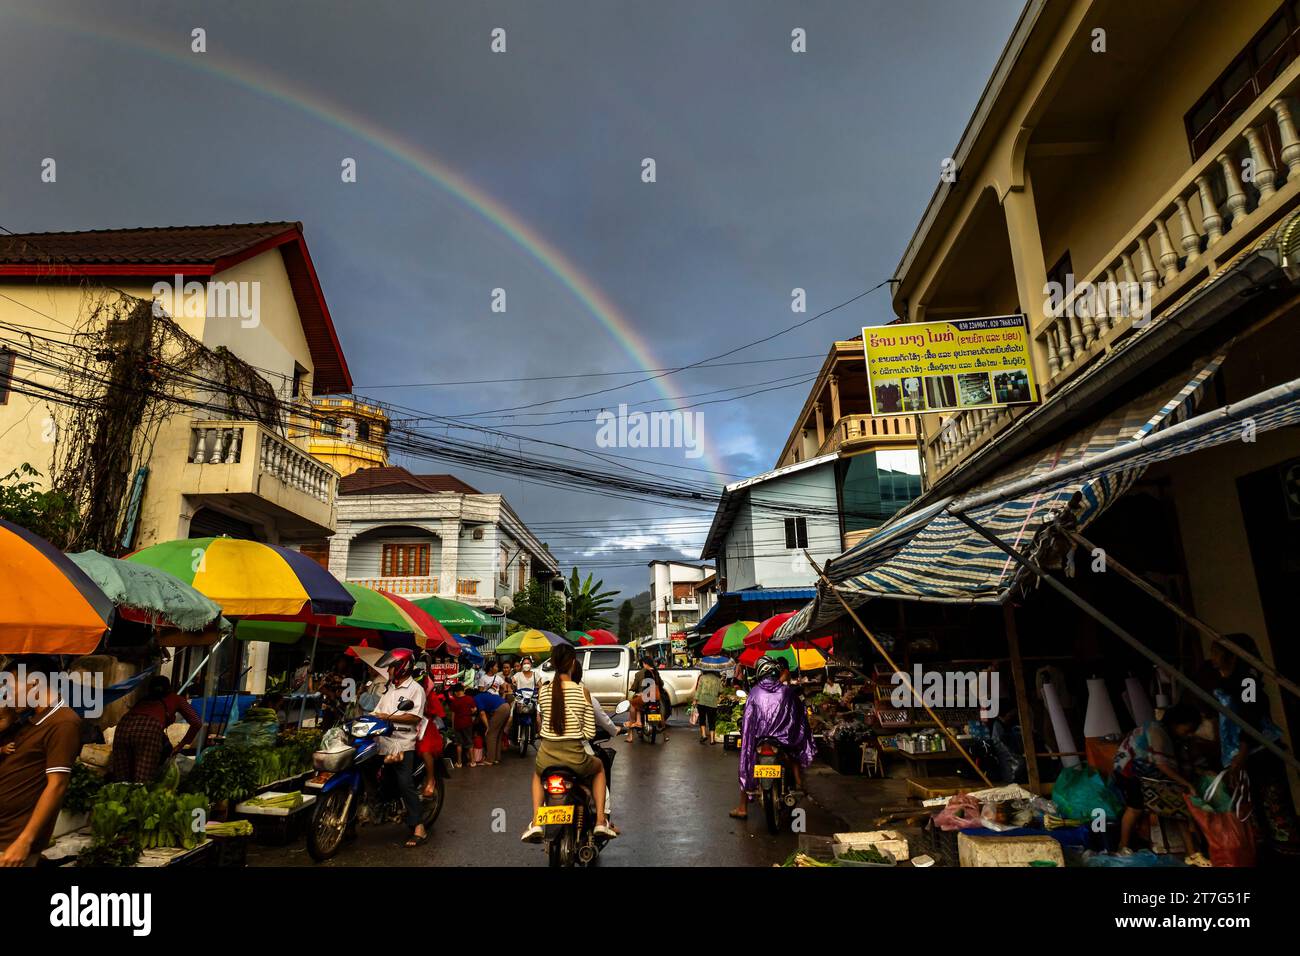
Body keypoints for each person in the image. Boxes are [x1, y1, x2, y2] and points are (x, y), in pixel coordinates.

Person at [1204, 636, 1298, 857]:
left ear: (1231, 655)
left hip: (1257, 749)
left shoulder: (1247, 682)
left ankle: (1287, 848)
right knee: (1250, 802)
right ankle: (1262, 846)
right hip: (1235, 751)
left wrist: (1243, 752)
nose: (1212, 658)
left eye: (1216, 653)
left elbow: (1250, 718)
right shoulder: (1219, 680)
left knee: (1272, 800)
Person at [520, 643, 616, 843]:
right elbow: (589, 732)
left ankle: (536, 821)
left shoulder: (545, 691)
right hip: (575, 759)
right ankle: (600, 820)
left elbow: (542, 726)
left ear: (553, 664)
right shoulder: (582, 692)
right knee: (599, 769)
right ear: (573, 663)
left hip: (546, 756)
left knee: (538, 775)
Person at [0, 657, 82, 866]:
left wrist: (24, 841)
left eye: (10, 686)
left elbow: (57, 785)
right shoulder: (30, 721)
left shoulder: (63, 722)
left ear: (34, 683)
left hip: (12, 842)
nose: (7, 695)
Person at [731, 655, 815, 820]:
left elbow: (747, 720)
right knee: (795, 752)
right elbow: (799, 714)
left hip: (760, 740)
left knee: (748, 764)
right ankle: (798, 784)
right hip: (783, 740)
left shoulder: (754, 692)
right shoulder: (786, 691)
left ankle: (742, 808)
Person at [1112, 701, 1201, 854]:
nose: (1190, 734)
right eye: (1188, 730)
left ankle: (1192, 854)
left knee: (1178, 808)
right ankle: (1122, 846)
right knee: (1135, 808)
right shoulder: (1157, 731)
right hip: (1129, 771)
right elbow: (1162, 765)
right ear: (1175, 723)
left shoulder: (1173, 736)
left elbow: (1183, 761)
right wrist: (1187, 784)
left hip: (1149, 774)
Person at [371, 649, 428, 848]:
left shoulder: (415, 689)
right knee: (362, 771)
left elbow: (414, 717)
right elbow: (377, 712)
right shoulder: (390, 689)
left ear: (402, 667)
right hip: (381, 742)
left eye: (392, 667)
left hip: (402, 743)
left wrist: (388, 717)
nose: (389, 670)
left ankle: (419, 826)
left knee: (405, 783)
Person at [109, 675, 203, 784]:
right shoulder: (176, 698)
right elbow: (196, 721)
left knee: (122, 779)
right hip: (149, 730)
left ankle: (119, 798)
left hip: (123, 727)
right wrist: (181, 745)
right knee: (142, 780)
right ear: (169, 688)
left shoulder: (144, 700)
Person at [414, 659, 446, 799]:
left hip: (425, 727)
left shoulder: (428, 691)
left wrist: (424, 707)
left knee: (425, 750)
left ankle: (430, 779)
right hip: (405, 725)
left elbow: (435, 711)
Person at [474, 686, 510, 765]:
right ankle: (496, 758)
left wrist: (487, 727)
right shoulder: (486, 694)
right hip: (506, 706)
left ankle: (489, 760)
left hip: (500, 709)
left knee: (490, 735)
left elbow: (482, 713)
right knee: (498, 734)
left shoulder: (476, 698)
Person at [446, 683, 478, 768]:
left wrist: (453, 726)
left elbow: (453, 715)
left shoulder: (454, 701)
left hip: (457, 724)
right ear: (463, 690)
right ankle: (472, 762)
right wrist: (470, 712)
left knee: (459, 744)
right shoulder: (469, 699)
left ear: (456, 692)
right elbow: (474, 709)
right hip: (468, 723)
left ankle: (459, 763)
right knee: (470, 743)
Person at [693, 668, 724, 745]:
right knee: (712, 721)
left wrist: (695, 700)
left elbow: (698, 690)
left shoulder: (702, 677)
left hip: (702, 701)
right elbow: (721, 690)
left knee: (702, 719)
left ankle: (703, 735)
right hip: (712, 703)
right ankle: (712, 740)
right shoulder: (718, 679)